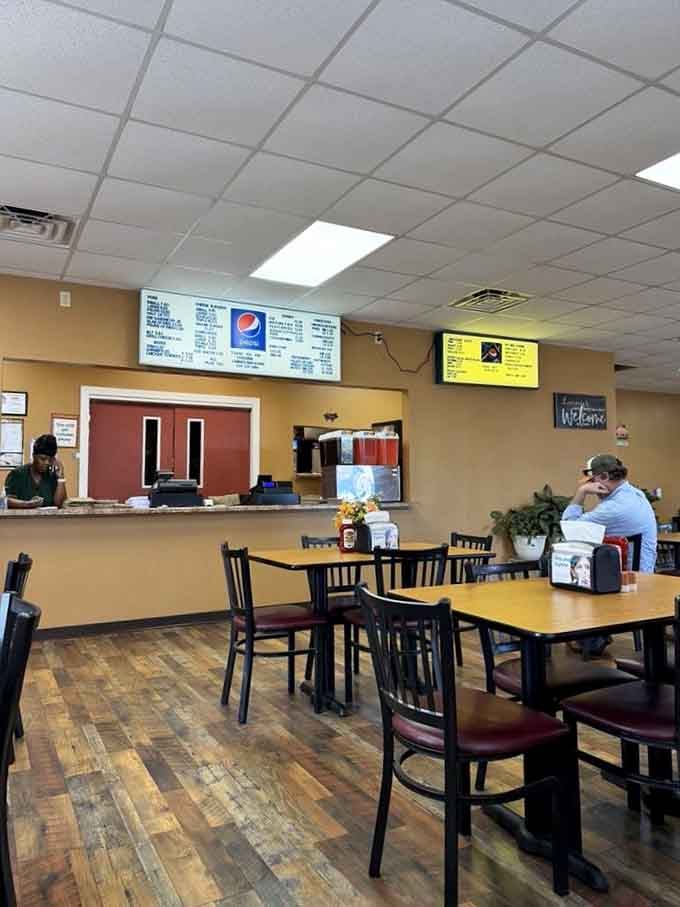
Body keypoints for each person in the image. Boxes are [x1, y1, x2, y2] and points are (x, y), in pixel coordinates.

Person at [562, 453, 657, 655]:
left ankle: (591, 638)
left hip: (630, 581)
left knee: (574, 572)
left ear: (604, 477)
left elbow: (568, 526)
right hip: (638, 573)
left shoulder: (615, 507)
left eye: (592, 480)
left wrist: (581, 493)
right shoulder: (632, 494)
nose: (591, 485)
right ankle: (593, 636)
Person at [4, 434, 67, 509]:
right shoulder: (18, 474)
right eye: (43, 459)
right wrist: (28, 504)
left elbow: (59, 504)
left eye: (50, 460)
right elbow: (6, 501)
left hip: (47, 520)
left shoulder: (52, 476)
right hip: (22, 519)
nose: (47, 463)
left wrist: (61, 478)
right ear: (34, 456)